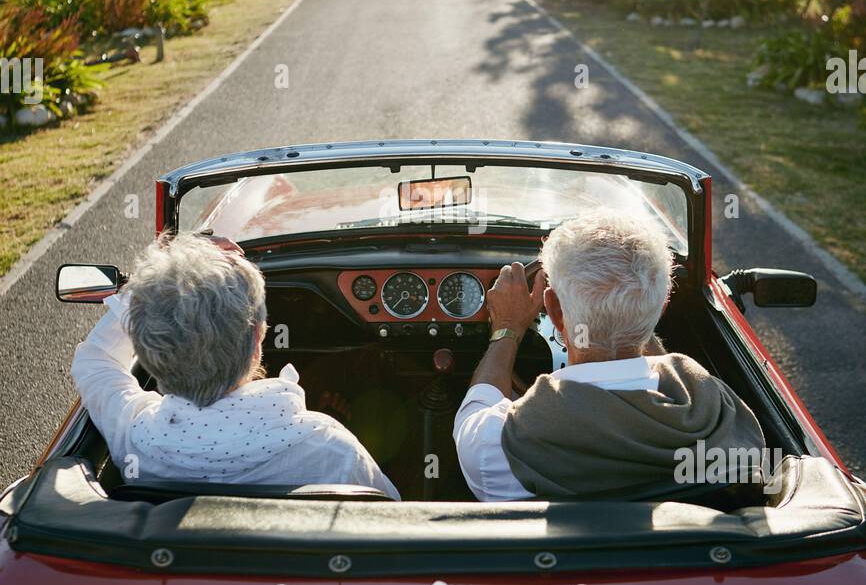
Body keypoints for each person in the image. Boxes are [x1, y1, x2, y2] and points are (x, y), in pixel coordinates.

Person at [453, 209, 765, 503]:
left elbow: (477, 407)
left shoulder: (496, 445)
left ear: (554, 310)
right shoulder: (722, 417)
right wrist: (633, 316)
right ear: (661, 309)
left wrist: (508, 328)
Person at [71, 233, 400, 499]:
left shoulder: (137, 437)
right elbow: (390, 518)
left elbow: (96, 359)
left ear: (148, 350)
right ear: (257, 339)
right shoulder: (334, 451)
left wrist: (155, 282)